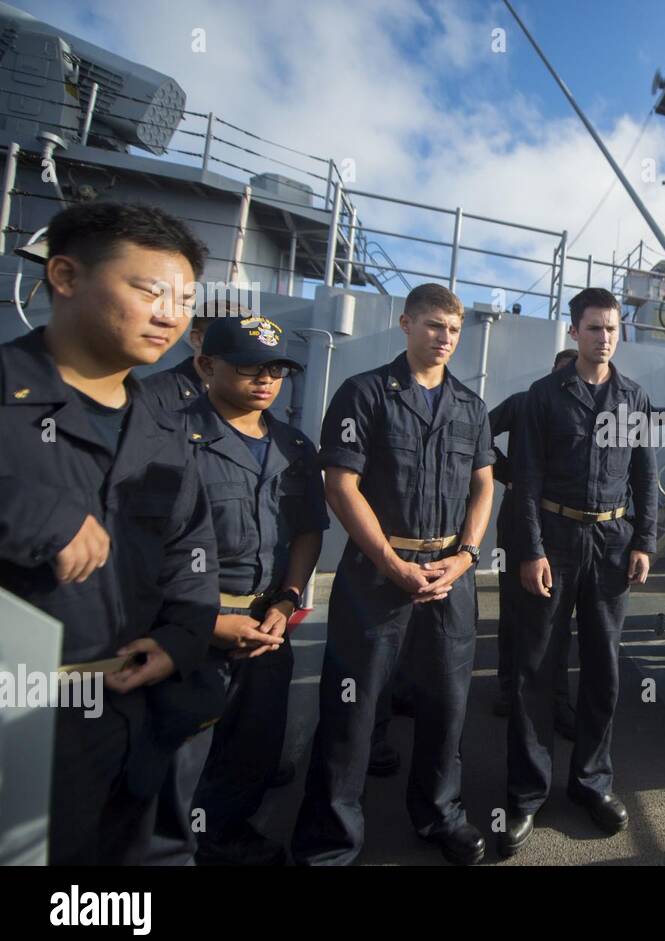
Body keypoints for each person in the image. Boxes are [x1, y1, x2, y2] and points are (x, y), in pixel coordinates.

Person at [0, 201, 218, 864]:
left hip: (137, 714)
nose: (169, 313)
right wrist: (30, 512)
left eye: (183, 297)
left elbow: (191, 548)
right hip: (21, 722)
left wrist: (181, 639)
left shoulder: (162, 422)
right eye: (148, 289)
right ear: (64, 276)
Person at [291, 283, 493, 866]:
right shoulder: (365, 394)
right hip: (377, 576)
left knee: (448, 703)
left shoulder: (470, 407)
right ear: (405, 325)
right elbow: (340, 483)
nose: (444, 338)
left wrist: (467, 556)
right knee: (352, 708)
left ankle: (439, 814)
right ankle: (330, 840)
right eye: (433, 325)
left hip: (449, 577)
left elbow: (482, 485)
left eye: (453, 330)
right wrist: (390, 561)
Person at [152, 315, 327, 866]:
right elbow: (142, 546)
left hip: (268, 625)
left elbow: (306, 529)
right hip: (192, 629)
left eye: (275, 369)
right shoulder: (171, 436)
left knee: (255, 743)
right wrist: (206, 622)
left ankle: (225, 833)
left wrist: (288, 598)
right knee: (180, 757)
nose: (265, 379)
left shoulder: (294, 445)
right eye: (250, 367)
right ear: (206, 366)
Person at [501, 287, 656, 857]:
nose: (605, 337)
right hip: (555, 541)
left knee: (603, 671)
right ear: (574, 332)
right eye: (595, 328)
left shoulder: (634, 399)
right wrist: (531, 550)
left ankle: (592, 782)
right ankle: (525, 793)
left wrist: (644, 541)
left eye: (613, 328)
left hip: (612, 545)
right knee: (534, 670)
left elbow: (645, 476)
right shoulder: (542, 398)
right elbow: (525, 482)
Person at [490, 349, 580, 739]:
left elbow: (640, 417)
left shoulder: (587, 408)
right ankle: (509, 690)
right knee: (513, 607)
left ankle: (555, 701)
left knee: (556, 617)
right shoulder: (524, 402)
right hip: (517, 518)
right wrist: (507, 474)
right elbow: (478, 432)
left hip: (559, 522)